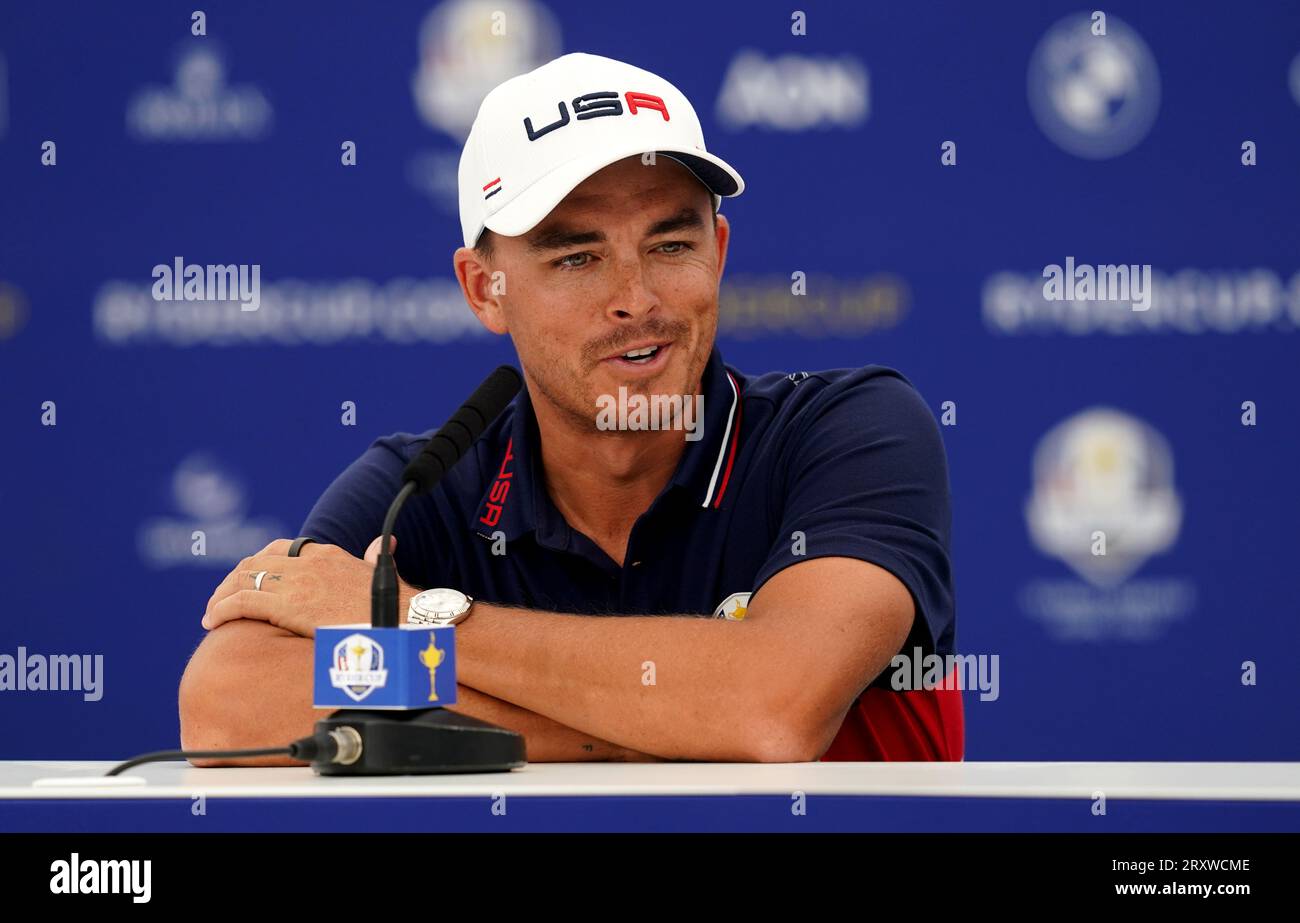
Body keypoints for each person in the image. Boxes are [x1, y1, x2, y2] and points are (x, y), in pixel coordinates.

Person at [180, 52, 962, 764]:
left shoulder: (852, 429)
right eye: (577, 257)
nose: (637, 299)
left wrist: (420, 621)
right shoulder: (420, 488)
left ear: (719, 252)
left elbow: (772, 708)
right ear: (484, 287)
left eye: (670, 244)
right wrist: (671, 717)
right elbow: (227, 702)